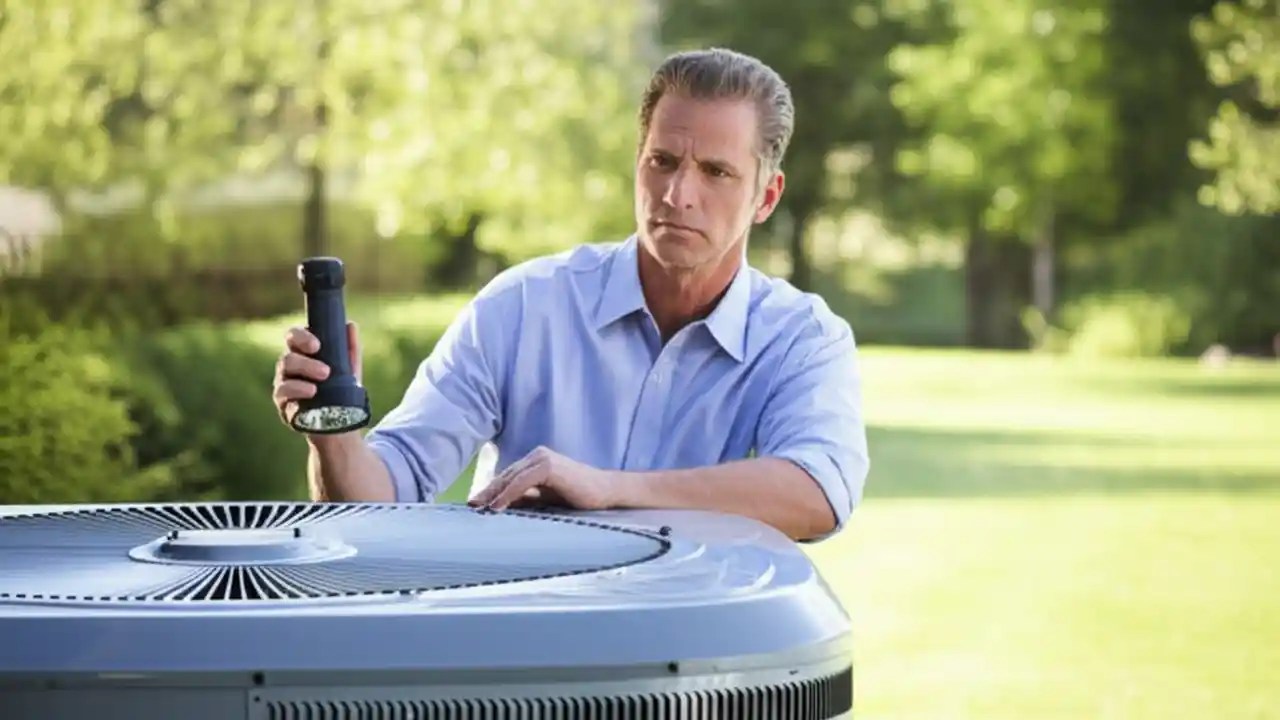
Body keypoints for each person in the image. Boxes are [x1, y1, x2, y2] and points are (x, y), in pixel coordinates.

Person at [272, 48, 869, 543]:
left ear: (766, 197)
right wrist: (335, 438)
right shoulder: (523, 307)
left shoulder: (802, 338)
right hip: (529, 662)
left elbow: (818, 490)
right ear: (638, 164)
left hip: (693, 664)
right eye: (662, 162)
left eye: (716, 172)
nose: (677, 193)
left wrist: (609, 490)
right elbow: (380, 499)